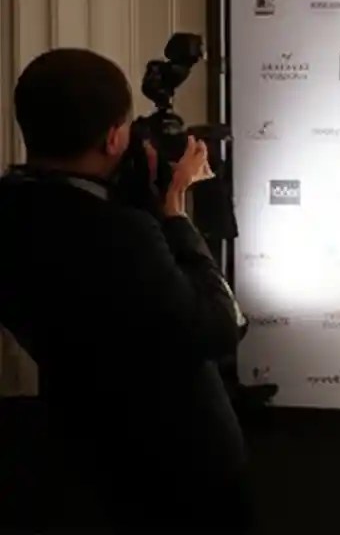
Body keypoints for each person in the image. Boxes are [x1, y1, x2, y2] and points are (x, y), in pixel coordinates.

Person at [0, 48, 252, 532]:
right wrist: (175, 212)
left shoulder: (11, 212)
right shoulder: (120, 233)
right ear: (116, 137)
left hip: (81, 456)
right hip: (176, 471)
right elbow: (220, 327)